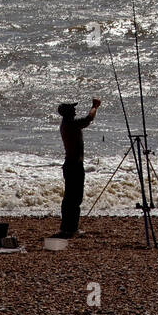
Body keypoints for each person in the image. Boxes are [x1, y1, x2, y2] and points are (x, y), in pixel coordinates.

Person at [56, 98, 99, 238]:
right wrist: (95, 106)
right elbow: (88, 119)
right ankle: (70, 228)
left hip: (71, 164)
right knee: (73, 199)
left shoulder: (68, 124)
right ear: (68, 113)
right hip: (73, 165)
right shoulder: (70, 124)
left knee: (71, 198)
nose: (75, 110)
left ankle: (68, 227)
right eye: (73, 109)